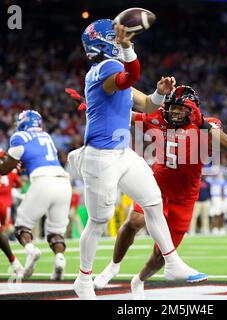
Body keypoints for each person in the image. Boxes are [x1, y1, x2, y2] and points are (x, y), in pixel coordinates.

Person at [68, 20, 209, 299]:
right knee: (98, 221)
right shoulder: (107, 67)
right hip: (101, 157)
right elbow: (130, 76)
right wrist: (128, 47)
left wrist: (159, 92)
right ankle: (83, 279)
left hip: (122, 154)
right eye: (115, 37)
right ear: (104, 42)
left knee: (153, 201)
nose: (120, 39)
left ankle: (172, 263)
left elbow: (147, 104)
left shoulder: (109, 70)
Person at [92, 85, 227, 299]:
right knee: (134, 222)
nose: (174, 113)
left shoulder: (207, 124)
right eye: (172, 108)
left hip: (184, 197)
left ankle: (138, 280)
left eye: (180, 109)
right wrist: (96, 107)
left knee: (161, 255)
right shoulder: (159, 117)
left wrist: (201, 123)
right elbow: (126, 116)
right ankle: (113, 266)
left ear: (193, 109)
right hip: (156, 185)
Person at [0, 110, 72, 280]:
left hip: (43, 181)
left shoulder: (19, 137)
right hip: (63, 182)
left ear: (23, 123)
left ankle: (31, 250)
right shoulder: (47, 137)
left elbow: (4, 169)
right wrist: (19, 163)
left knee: (21, 228)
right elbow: (32, 158)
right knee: (56, 233)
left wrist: (5, 157)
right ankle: (60, 259)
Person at [0, 149, 24, 279]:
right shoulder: (11, 170)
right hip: (6, 203)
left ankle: (15, 262)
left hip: (3, 202)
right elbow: (19, 183)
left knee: (2, 231)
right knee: (3, 230)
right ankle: (15, 263)